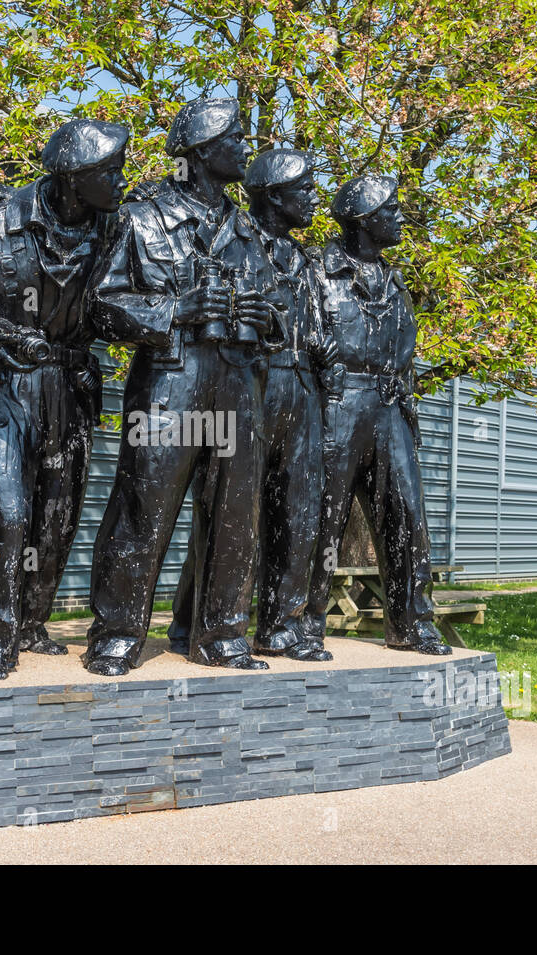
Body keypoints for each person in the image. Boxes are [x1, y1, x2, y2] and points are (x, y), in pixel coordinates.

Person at [83, 97, 284, 676]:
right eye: (236, 139)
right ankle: (118, 632)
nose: (246, 148)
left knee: (232, 513)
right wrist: (177, 308)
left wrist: (262, 318)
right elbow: (101, 306)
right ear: (201, 152)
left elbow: (276, 312)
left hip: (236, 383)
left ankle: (220, 634)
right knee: (144, 506)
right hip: (171, 382)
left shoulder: (247, 231)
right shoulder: (142, 218)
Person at [0, 118, 130, 680]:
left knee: (56, 514)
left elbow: (118, 305)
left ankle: (29, 623)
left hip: (67, 386)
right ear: (74, 177)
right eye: (110, 171)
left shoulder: (113, 232)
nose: (121, 181)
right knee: (4, 510)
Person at [167, 149, 338, 662]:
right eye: (303, 190)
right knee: (228, 514)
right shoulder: (237, 241)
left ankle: (283, 625)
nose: (312, 199)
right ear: (273, 196)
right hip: (250, 383)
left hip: (301, 389)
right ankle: (192, 621)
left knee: (298, 510)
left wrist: (320, 346)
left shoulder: (306, 260)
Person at [302, 175, 452, 655]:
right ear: (365, 220)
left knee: (407, 517)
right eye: (390, 211)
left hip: (391, 407)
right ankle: (305, 622)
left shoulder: (395, 282)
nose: (399, 219)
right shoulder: (316, 273)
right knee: (322, 517)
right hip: (338, 404)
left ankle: (413, 622)